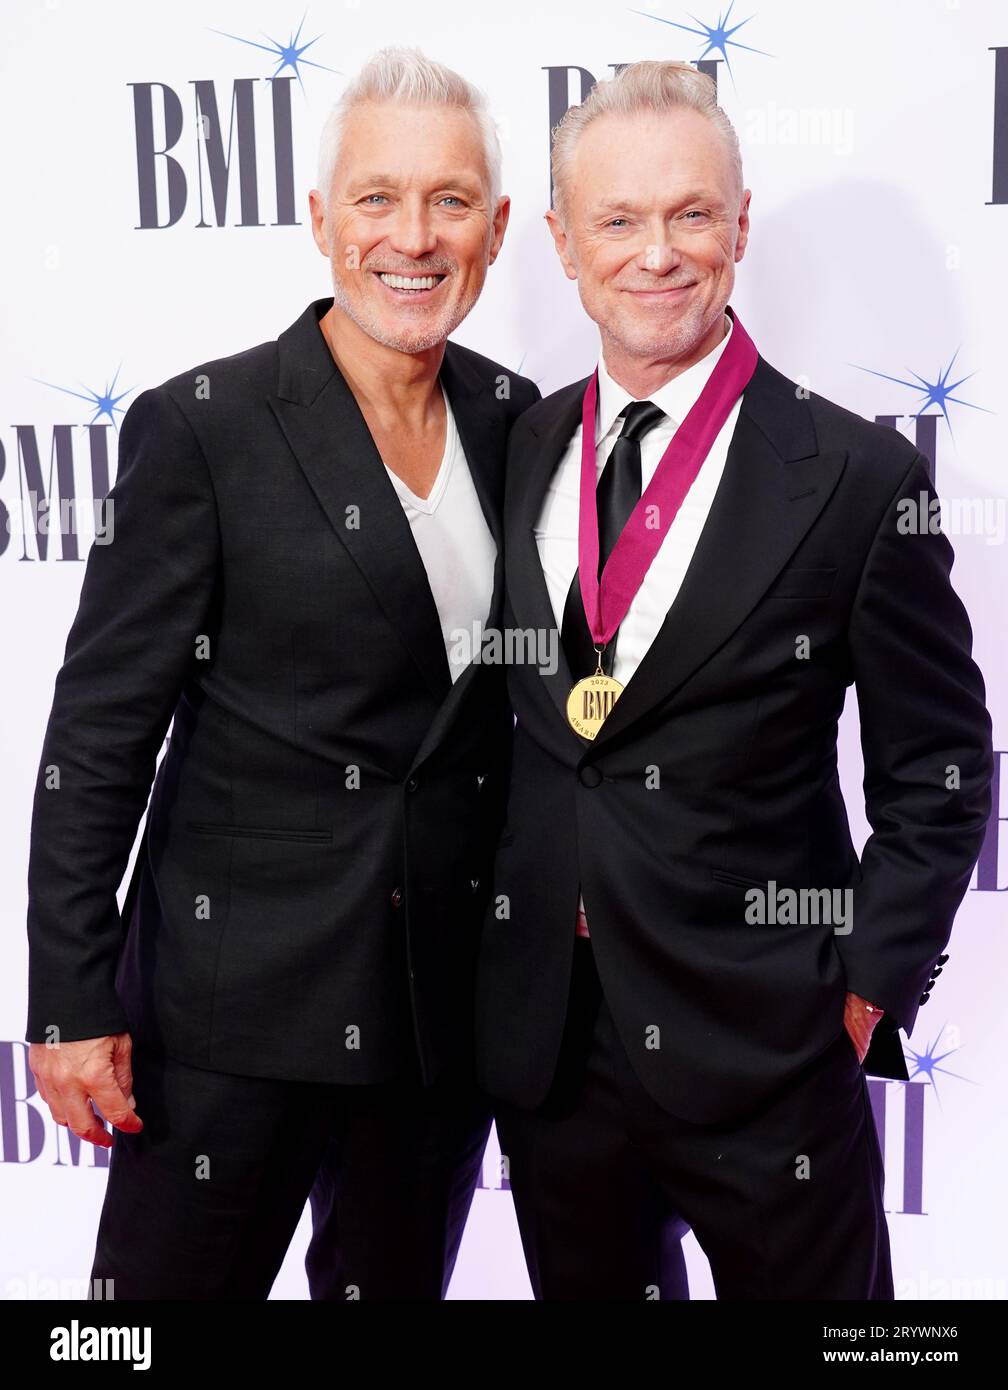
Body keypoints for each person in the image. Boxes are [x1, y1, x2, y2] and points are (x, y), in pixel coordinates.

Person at [475, 60, 993, 1300]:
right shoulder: (517, 447)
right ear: (561, 241)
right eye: (619, 220)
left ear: (741, 223)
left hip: (771, 1048)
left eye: (691, 214)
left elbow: (940, 770)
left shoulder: (858, 477)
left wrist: (865, 990)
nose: (657, 253)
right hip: (554, 1051)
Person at [25, 46, 538, 1300]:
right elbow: (98, 733)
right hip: (226, 1020)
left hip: (432, 1026)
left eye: (449, 200)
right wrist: (67, 1004)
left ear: (499, 227)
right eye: (376, 198)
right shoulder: (204, 426)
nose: (411, 236)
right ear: (319, 219)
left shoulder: (522, 422)